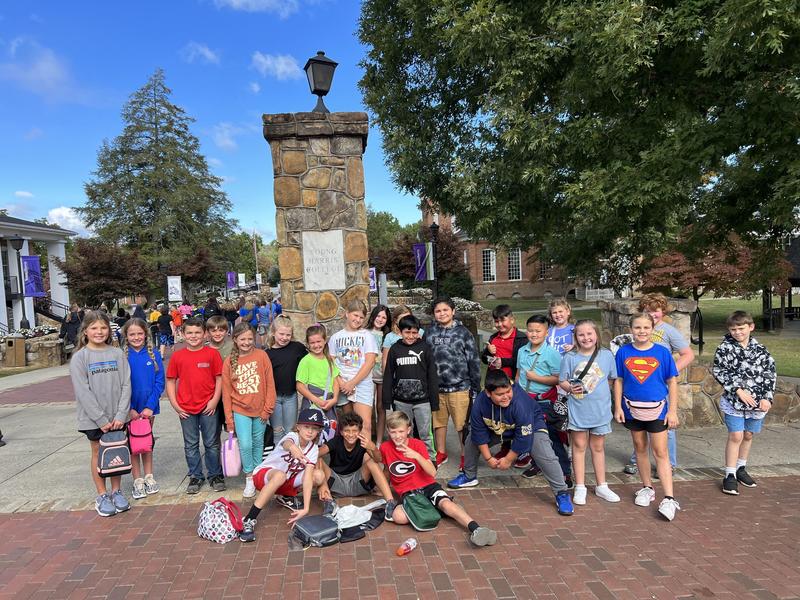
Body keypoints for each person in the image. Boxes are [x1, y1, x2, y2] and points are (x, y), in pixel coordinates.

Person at [447, 371, 574, 516]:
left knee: (545, 453)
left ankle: (561, 492)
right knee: (471, 440)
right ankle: (469, 476)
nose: (506, 396)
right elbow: (478, 433)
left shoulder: (520, 402)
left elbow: (523, 437)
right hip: (499, 425)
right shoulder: (481, 402)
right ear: (488, 393)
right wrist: (489, 458)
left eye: (508, 391)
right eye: (500, 394)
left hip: (531, 425)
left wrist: (508, 459)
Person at [381, 411, 497, 546]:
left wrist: (416, 456)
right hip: (409, 492)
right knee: (398, 517)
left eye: (401, 431)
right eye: (393, 432)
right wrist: (381, 489)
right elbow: (387, 470)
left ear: (408, 430)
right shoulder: (385, 447)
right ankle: (442, 509)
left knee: (446, 504)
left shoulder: (417, 444)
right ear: (388, 432)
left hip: (428, 485)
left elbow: (432, 472)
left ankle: (476, 529)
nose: (397, 436)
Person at [613, 313, 680, 521]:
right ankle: (647, 487)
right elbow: (618, 380)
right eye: (637, 327)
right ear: (631, 329)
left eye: (646, 327)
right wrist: (618, 407)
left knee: (661, 451)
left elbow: (672, 382)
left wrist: (672, 410)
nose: (642, 331)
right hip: (632, 409)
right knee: (639, 448)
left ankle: (669, 498)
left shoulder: (662, 352)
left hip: (658, 410)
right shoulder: (623, 352)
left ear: (653, 329)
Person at [69, 310, 131, 517]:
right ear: (85, 331)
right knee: (98, 453)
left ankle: (116, 491)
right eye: (94, 328)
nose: (99, 331)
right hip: (93, 419)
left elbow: (126, 385)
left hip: (118, 416)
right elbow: (83, 391)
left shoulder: (117, 354)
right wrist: (101, 419)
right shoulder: (80, 358)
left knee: (116, 451)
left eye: (103, 327)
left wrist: (121, 414)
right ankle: (102, 494)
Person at [624, 292, 695, 475]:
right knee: (640, 423)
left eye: (656, 311)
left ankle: (668, 462)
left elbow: (688, 354)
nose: (653, 314)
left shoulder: (668, 331)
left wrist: (670, 371)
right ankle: (637, 460)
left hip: (660, 387)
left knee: (663, 425)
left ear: (663, 311)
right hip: (640, 385)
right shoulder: (640, 328)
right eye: (648, 311)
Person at [238, 408, 327, 543]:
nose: (310, 431)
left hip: (284, 480)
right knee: (280, 476)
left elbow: (308, 478)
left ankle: (284, 496)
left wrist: (306, 508)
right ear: (298, 427)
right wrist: (293, 448)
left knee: (318, 475)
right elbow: (287, 443)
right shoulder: (292, 436)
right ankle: (249, 519)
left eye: (314, 428)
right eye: (306, 427)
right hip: (264, 476)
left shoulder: (313, 449)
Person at [712, 311, 776, 496]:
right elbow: (719, 371)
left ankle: (741, 468)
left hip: (757, 403)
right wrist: (738, 391)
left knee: (748, 435)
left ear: (751, 327)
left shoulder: (761, 349)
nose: (737, 332)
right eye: (733, 329)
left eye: (741, 328)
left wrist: (767, 398)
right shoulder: (724, 348)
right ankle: (729, 474)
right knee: (736, 436)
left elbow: (769, 374)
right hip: (734, 402)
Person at [559, 320, 619, 505]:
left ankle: (602, 485)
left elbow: (612, 379)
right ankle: (580, 486)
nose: (586, 338)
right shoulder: (570, 357)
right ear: (576, 337)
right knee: (578, 446)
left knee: (598, 447)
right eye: (581, 335)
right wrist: (570, 388)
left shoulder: (607, 355)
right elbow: (562, 381)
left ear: (596, 335)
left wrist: (613, 405)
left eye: (589, 334)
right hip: (578, 409)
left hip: (600, 410)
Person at [166, 317, 226, 494]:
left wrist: (215, 400)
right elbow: (170, 381)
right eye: (189, 333)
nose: (194, 336)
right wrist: (175, 405)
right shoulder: (178, 356)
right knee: (191, 444)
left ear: (204, 334)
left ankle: (215, 474)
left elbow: (219, 378)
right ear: (183, 334)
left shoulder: (212, 354)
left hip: (208, 406)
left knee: (212, 443)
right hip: (185, 408)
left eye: (198, 332)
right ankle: (196, 475)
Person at [425, 296, 481, 469]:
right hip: (437, 387)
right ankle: (441, 453)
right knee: (438, 423)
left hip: (460, 386)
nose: (442, 314)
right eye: (438, 311)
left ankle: (466, 455)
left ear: (453, 311)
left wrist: (476, 385)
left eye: (445, 310)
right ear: (434, 314)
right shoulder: (429, 332)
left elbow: (473, 359)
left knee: (461, 425)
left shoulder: (464, 333)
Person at [222, 323, 276, 499]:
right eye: (242, 339)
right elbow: (226, 392)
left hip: (261, 410)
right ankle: (249, 477)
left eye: (250, 339)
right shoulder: (229, 361)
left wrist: (268, 408)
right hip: (240, 410)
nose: (246, 342)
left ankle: (258, 474)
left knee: (258, 442)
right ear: (235, 340)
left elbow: (269, 384)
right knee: (245, 444)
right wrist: (229, 419)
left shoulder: (262, 356)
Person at [516, 315, 570, 483]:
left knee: (551, 436)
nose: (534, 334)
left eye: (538, 331)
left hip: (544, 401)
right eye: (530, 330)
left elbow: (557, 379)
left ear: (546, 333)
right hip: (525, 400)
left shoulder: (551, 353)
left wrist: (536, 378)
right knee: (529, 434)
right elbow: (518, 375)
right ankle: (537, 463)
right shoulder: (522, 351)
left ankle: (565, 471)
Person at [382, 314, 438, 459]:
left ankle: (430, 459)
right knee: (406, 433)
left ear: (418, 332)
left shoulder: (425, 348)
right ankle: (407, 460)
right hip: (401, 401)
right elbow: (388, 374)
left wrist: (434, 401)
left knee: (426, 433)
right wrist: (386, 400)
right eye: (407, 332)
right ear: (400, 332)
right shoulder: (395, 349)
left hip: (423, 401)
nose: (411, 336)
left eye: (414, 332)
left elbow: (432, 375)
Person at [316, 412, 395, 511]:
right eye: (347, 431)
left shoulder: (363, 443)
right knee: (317, 458)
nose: (351, 434)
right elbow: (315, 454)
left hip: (356, 483)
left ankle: (390, 502)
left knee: (372, 462)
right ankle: (328, 502)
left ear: (360, 431)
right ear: (341, 432)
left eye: (354, 431)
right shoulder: (336, 441)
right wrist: (322, 485)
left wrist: (373, 448)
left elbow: (378, 460)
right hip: (335, 482)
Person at [122, 318, 164, 500]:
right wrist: (129, 408)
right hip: (130, 408)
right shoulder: (122, 357)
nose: (136, 337)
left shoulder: (153, 354)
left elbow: (159, 382)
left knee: (146, 442)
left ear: (145, 334)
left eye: (140, 333)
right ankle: (137, 479)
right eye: (132, 334)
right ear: (126, 336)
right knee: (133, 445)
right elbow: (119, 385)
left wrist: (150, 406)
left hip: (149, 407)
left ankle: (149, 476)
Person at [329, 300, 378, 441]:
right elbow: (331, 362)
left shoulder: (367, 336)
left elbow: (370, 362)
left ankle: (366, 458)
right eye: (355, 315)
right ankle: (350, 458)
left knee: (365, 425)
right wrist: (341, 383)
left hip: (361, 383)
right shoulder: (335, 338)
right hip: (342, 384)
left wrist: (353, 383)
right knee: (348, 426)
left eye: (362, 317)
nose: (358, 320)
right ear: (347, 314)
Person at [266, 315, 307, 441]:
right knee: (277, 431)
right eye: (281, 334)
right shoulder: (267, 353)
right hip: (274, 397)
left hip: (291, 396)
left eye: (288, 335)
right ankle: (278, 458)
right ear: (273, 333)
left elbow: (310, 361)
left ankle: (289, 458)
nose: (284, 338)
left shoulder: (297, 348)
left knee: (290, 430)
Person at [367, 304, 391, 440]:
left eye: (384, 317)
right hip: (368, 376)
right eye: (378, 316)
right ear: (373, 316)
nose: (380, 319)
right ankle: (369, 436)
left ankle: (380, 440)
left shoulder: (387, 335)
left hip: (382, 375)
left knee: (381, 407)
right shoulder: (365, 332)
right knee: (367, 407)